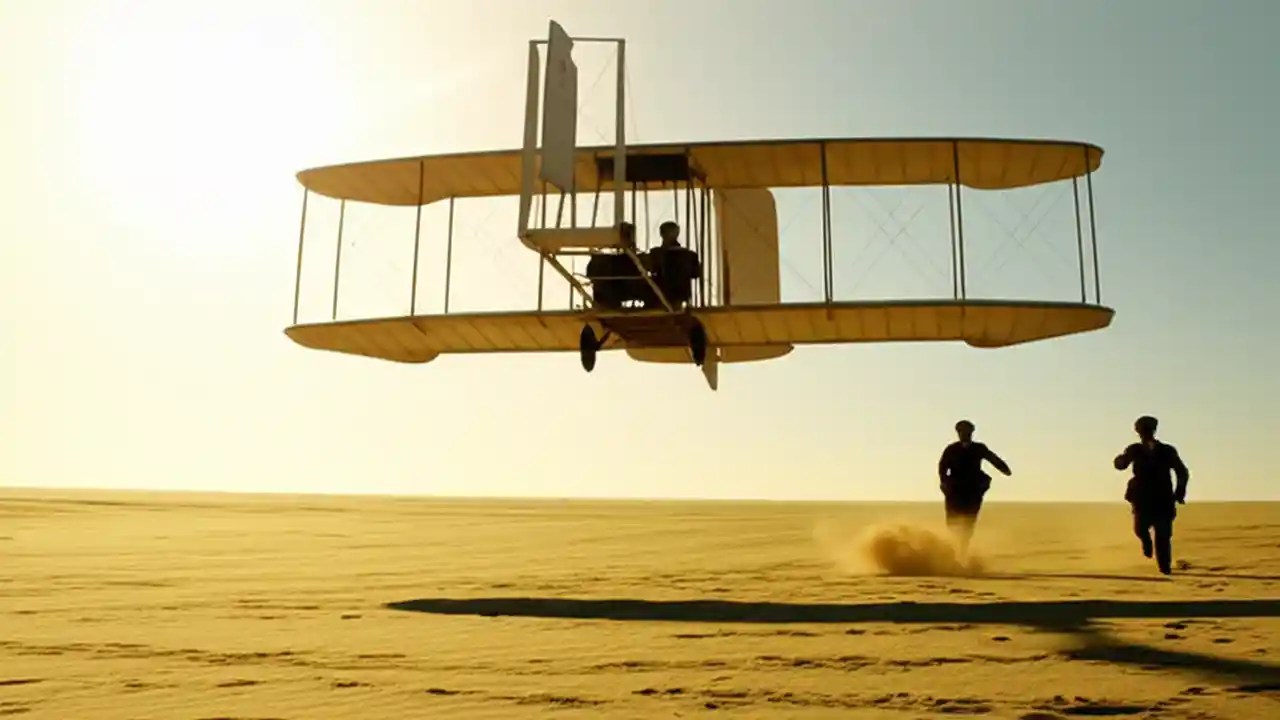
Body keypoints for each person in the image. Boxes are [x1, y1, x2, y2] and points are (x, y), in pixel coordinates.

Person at [1113, 415, 1189, 575]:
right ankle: (1146, 542)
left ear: (1154, 430)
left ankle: (1165, 569)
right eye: (1142, 430)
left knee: (1163, 536)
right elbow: (1122, 464)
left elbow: (1182, 471)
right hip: (1142, 498)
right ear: (1138, 432)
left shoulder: (1167, 450)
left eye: (1147, 429)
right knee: (1140, 528)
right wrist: (1119, 461)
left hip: (1163, 498)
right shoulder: (1134, 449)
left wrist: (1180, 491)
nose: (1144, 433)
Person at [937, 420, 1012, 555]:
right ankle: (951, 553)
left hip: (972, 491)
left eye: (966, 432)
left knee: (969, 522)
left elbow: (992, 458)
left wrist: (1004, 469)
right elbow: (942, 468)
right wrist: (944, 483)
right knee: (952, 522)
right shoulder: (951, 449)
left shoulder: (979, 448)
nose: (964, 434)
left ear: (971, 433)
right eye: (961, 432)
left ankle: (962, 551)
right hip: (955, 491)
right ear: (957, 433)